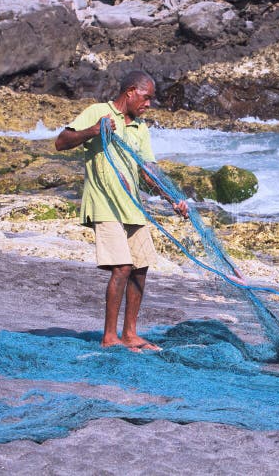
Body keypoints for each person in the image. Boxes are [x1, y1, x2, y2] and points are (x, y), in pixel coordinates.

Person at [55, 70, 187, 352]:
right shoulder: (97, 112)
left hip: (131, 207)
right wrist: (93, 131)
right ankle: (109, 336)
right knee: (122, 267)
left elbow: (147, 174)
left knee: (140, 268)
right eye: (146, 97)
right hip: (104, 204)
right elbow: (61, 142)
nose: (148, 104)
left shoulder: (141, 129)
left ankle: (130, 334)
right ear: (130, 92)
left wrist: (172, 199)